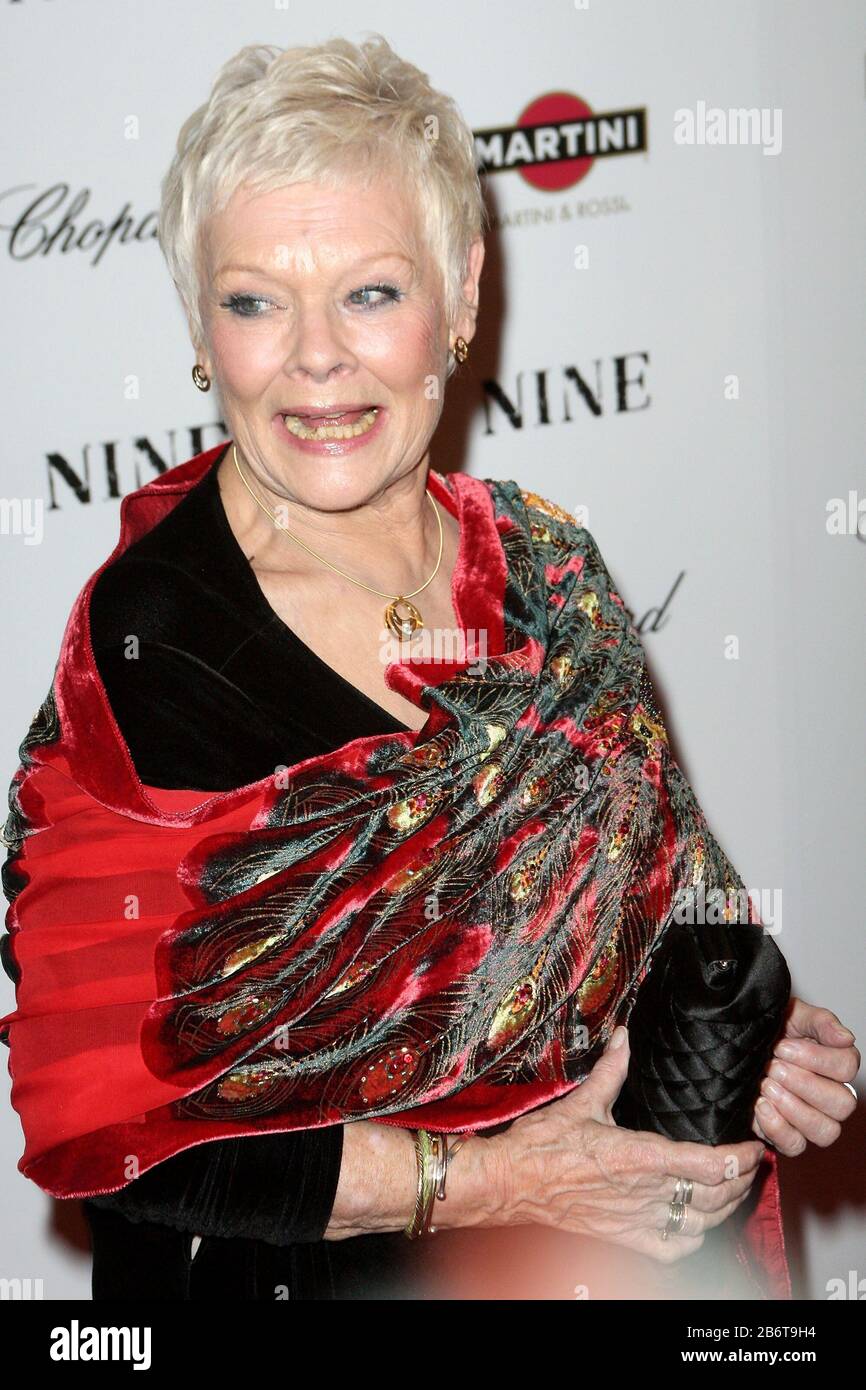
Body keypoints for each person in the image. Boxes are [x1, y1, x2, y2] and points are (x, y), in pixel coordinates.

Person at [0, 36, 858, 1303]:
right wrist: (512, 1180)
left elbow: (657, 900)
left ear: (458, 294)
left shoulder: (546, 563)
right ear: (198, 323)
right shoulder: (152, 647)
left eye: (369, 293)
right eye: (253, 300)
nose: (314, 359)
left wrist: (746, 1034)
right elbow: (109, 1133)